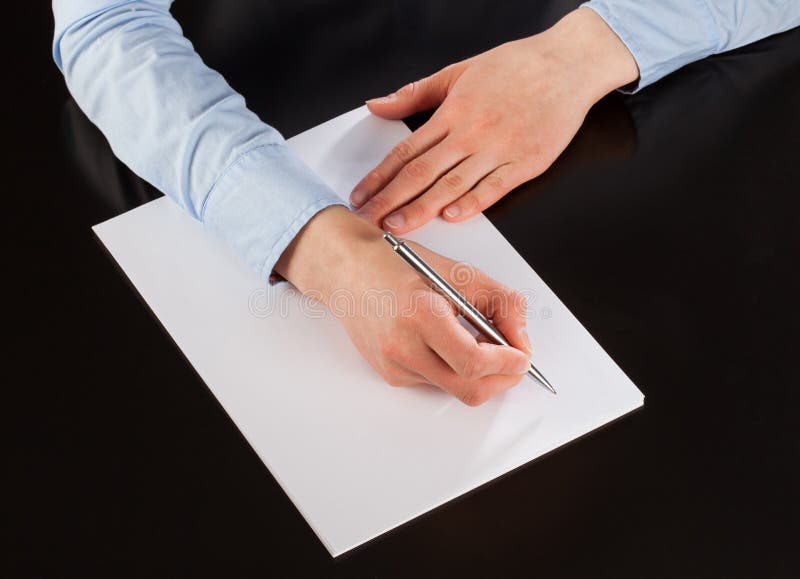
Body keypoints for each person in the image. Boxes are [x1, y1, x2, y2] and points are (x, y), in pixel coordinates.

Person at [52, 0, 799, 406]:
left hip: (637, 125)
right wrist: (323, 247)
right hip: (262, 94)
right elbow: (107, 24)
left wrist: (589, 48)